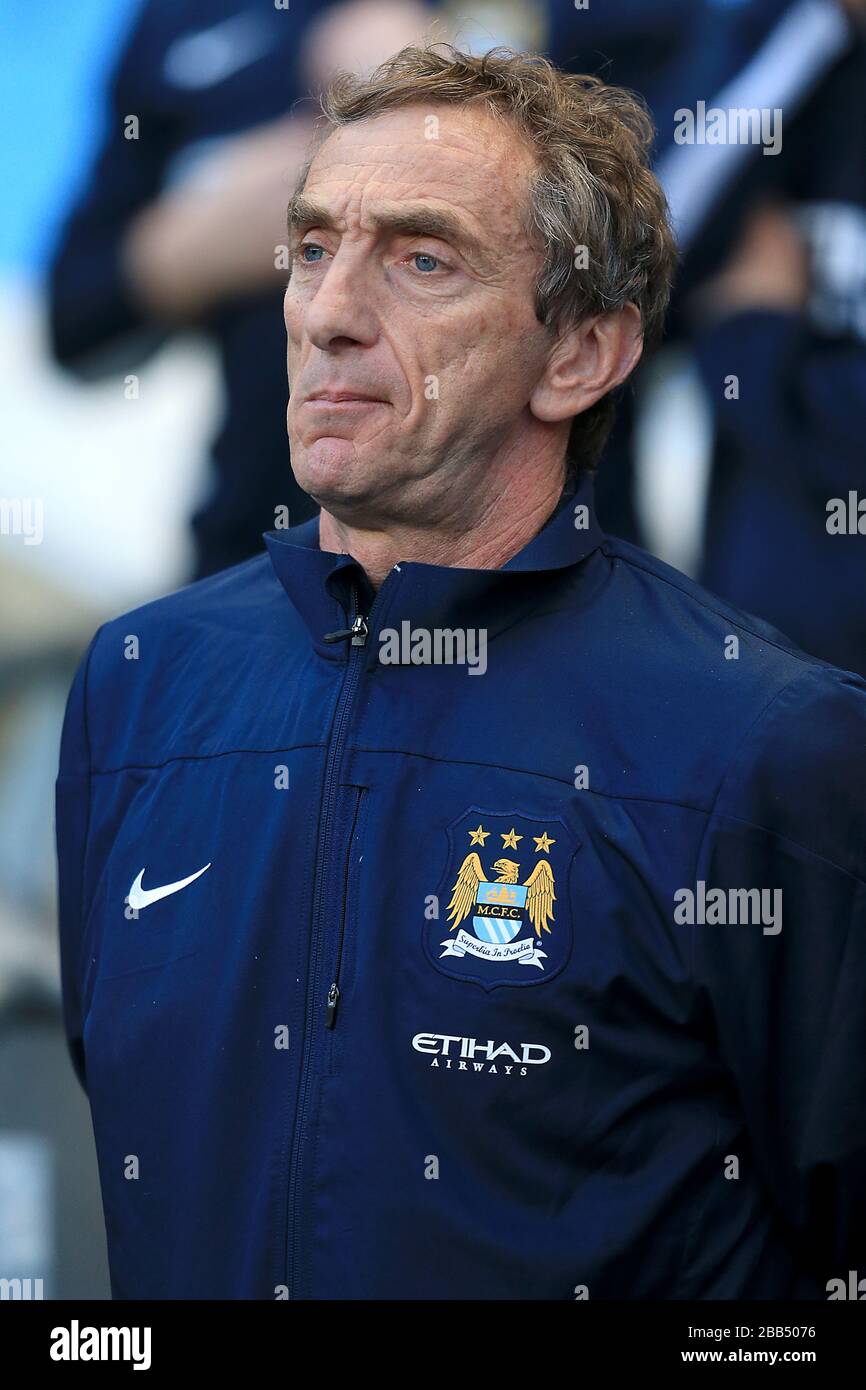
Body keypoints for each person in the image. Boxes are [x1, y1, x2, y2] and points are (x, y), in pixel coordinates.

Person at [55, 45, 866, 1300]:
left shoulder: (764, 743)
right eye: (314, 247)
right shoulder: (139, 680)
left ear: (579, 357)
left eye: (422, 260)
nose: (327, 312)